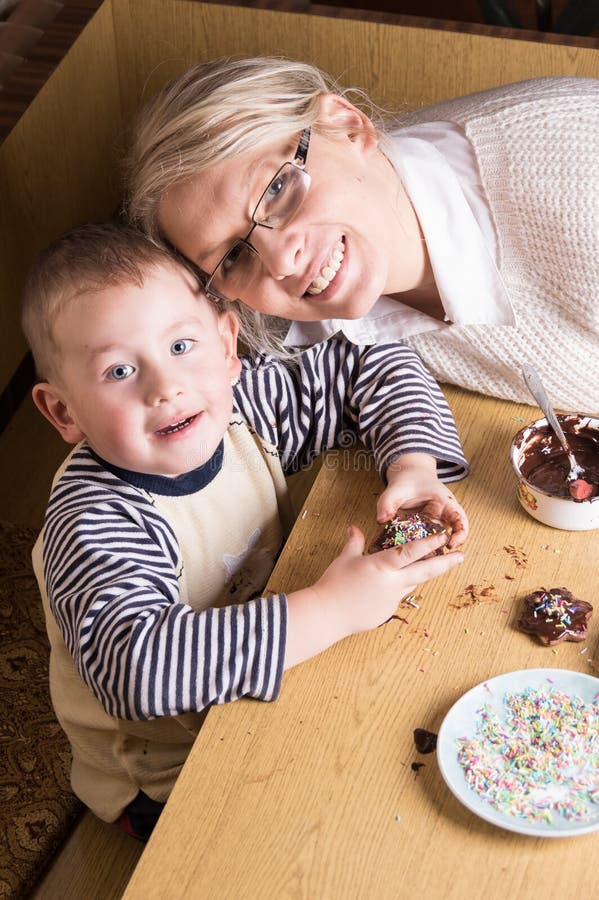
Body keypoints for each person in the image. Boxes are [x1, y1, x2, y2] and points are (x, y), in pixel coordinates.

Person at [23, 222, 468, 840]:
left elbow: (371, 358)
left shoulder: (240, 406)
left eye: (181, 346)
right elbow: (138, 669)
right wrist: (332, 609)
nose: (166, 387)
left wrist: (413, 465)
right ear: (64, 410)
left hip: (275, 657)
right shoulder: (93, 520)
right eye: (119, 371)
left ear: (227, 344)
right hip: (169, 767)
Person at [124, 57, 599, 413]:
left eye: (277, 190)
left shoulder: (578, 174)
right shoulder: (289, 324)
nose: (281, 262)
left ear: (348, 126)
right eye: (231, 257)